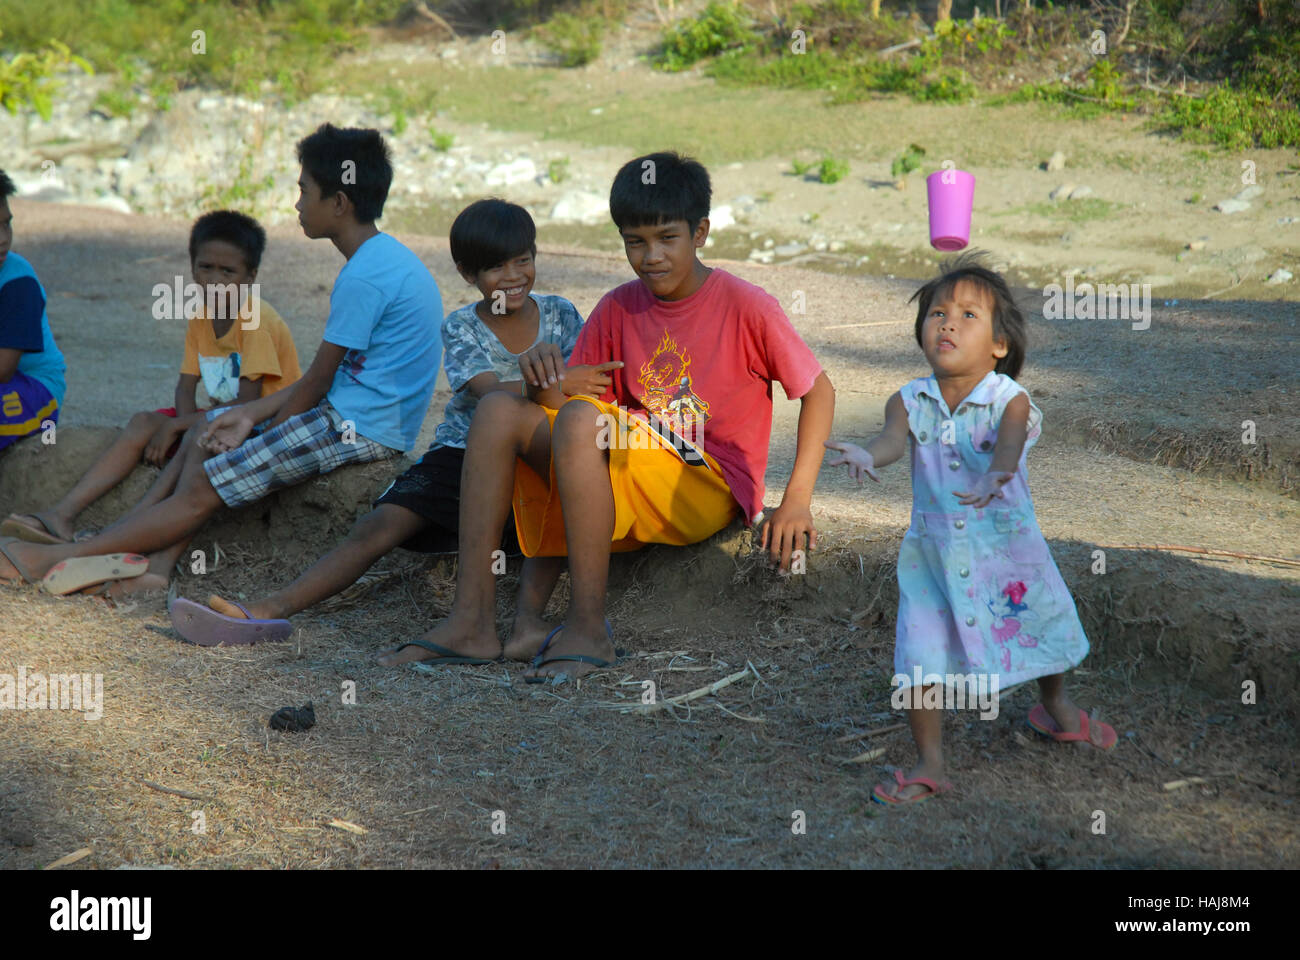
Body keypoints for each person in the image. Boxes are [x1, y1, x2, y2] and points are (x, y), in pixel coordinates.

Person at [376, 151, 836, 681]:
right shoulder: (619, 307)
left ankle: (588, 627)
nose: (651, 257)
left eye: (667, 238)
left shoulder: (746, 305)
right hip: (631, 462)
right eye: (634, 242)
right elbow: (568, 413)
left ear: (701, 231)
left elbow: (818, 391)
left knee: (579, 422)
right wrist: (543, 383)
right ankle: (473, 621)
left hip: (704, 474)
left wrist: (797, 499)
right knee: (500, 410)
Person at [0, 124, 442, 602]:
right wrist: (247, 417)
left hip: (362, 425)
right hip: (354, 411)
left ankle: (51, 559)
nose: (296, 204)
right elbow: (326, 377)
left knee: (209, 477)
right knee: (209, 440)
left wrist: (261, 435)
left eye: (303, 191)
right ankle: (154, 571)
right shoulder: (382, 260)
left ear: (338, 202)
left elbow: (316, 381)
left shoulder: (365, 279)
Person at [169, 198, 601, 653]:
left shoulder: (562, 315)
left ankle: (525, 626)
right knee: (378, 526)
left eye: (523, 261)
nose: (512, 277)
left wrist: (566, 384)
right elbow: (488, 391)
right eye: (495, 267)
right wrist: (558, 380)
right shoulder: (461, 328)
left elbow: (584, 387)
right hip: (464, 454)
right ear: (466, 273)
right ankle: (269, 609)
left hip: (537, 446)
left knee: (555, 505)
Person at [825, 252, 1111, 807]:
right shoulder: (908, 400)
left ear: (1000, 345)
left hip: (1007, 551)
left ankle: (1059, 710)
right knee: (918, 651)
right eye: (936, 313)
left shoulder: (1009, 398)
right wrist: (867, 453)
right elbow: (890, 442)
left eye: (967, 315)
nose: (948, 323)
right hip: (931, 555)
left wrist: (998, 475)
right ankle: (930, 763)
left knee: (1036, 629)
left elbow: (1008, 443)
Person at [2, 210, 301, 559]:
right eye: (206, 268)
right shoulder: (202, 316)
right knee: (143, 422)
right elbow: (185, 387)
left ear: (251, 277)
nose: (215, 281)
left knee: (192, 434)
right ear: (192, 269)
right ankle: (61, 515)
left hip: (264, 422)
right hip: (217, 417)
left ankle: (128, 527)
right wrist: (176, 426)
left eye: (228, 272)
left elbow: (245, 406)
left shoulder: (256, 321)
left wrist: (179, 426)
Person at [0, 169, 67, 457]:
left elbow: (3, 370)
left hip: (35, 389)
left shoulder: (18, 282)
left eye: (6, 224)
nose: (3, 238)